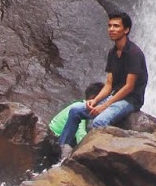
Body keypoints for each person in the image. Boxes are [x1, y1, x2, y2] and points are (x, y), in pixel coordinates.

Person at [58, 10, 148, 157]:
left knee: (99, 122)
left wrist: (104, 106)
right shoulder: (112, 53)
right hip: (114, 97)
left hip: (130, 100)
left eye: (116, 26)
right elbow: (109, 84)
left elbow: (129, 87)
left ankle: (85, 157)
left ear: (126, 30)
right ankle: (63, 152)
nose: (111, 29)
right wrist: (95, 101)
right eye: (110, 26)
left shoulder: (134, 53)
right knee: (75, 110)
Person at [48, 84, 102, 150]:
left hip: (51, 131)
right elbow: (80, 134)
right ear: (93, 98)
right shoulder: (81, 109)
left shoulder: (78, 105)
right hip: (55, 138)